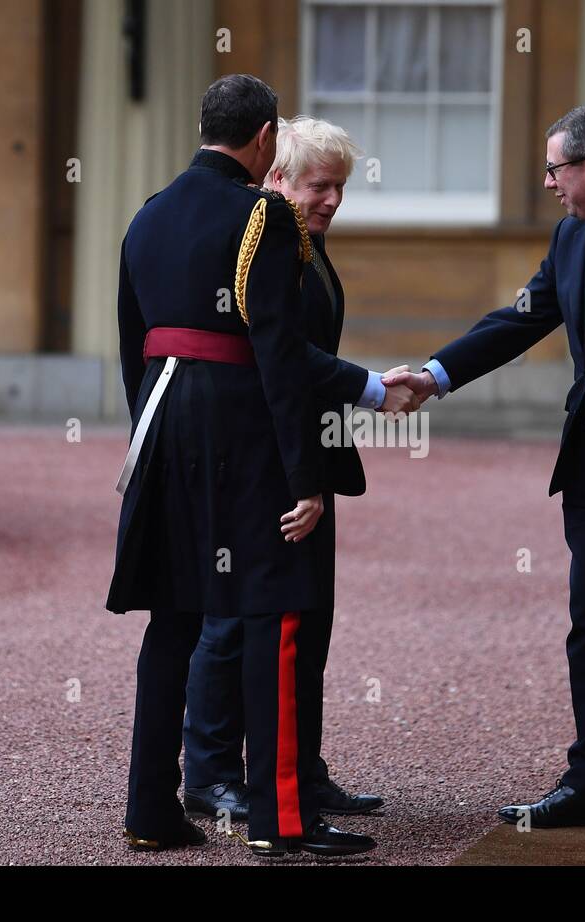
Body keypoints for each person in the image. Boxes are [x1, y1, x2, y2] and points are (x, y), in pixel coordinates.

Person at [105, 75, 411, 857]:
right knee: (276, 611)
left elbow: (133, 343)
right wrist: (302, 475)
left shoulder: (147, 215)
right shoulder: (263, 217)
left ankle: (150, 808)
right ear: (266, 137)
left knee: (171, 621)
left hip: (164, 428)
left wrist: (151, 433)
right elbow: (276, 351)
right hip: (243, 433)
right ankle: (280, 820)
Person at [385, 104, 585, 828]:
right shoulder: (570, 233)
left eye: (554, 168)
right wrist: (435, 374)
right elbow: (521, 318)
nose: (547, 182)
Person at [181, 116, 387, 824]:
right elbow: (285, 353)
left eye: (339, 187)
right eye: (317, 185)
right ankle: (209, 773)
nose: (331, 199)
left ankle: (301, 767)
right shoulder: (269, 243)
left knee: (309, 619)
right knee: (233, 618)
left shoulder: (308, 244)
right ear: (276, 180)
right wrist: (374, 387)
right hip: (262, 458)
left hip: (304, 451)